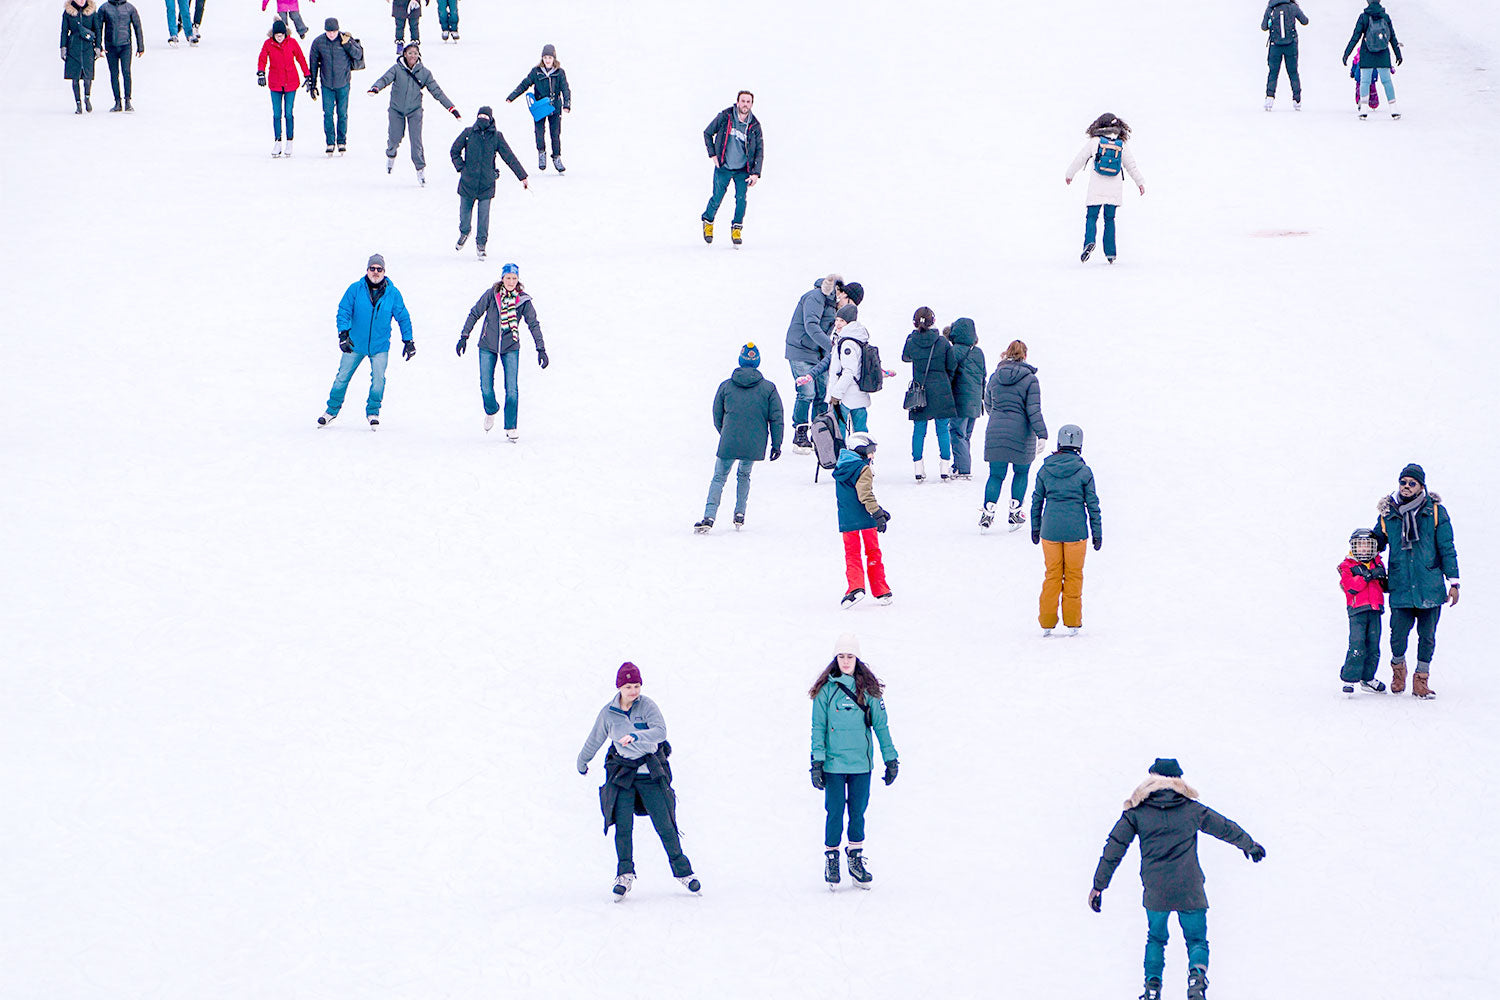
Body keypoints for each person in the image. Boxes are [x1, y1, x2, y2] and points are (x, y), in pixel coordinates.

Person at [1090, 759, 1265, 1000]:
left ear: (1151, 779)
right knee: (1196, 941)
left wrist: (1098, 886)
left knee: (1156, 938)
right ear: (1178, 781)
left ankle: (1152, 989)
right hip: (1190, 888)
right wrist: (1249, 844)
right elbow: (1224, 827)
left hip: (1156, 891)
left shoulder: (1136, 814)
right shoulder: (1192, 810)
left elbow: (1114, 848)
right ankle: (1196, 980)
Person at [577, 663, 701, 899]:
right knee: (622, 827)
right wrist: (582, 761)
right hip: (623, 775)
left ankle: (684, 873)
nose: (633, 691)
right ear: (619, 687)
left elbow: (660, 732)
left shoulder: (648, 706)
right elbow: (595, 739)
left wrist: (636, 735)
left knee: (665, 825)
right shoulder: (608, 714)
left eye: (636, 685)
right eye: (628, 686)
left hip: (649, 774)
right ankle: (624, 875)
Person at [809, 633, 898, 890]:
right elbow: (818, 728)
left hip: (861, 765)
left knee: (857, 813)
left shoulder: (868, 690)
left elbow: (881, 726)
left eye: (850, 656)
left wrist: (891, 759)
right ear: (835, 659)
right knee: (835, 812)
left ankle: (856, 859)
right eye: (841, 656)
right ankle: (832, 859)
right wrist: (817, 762)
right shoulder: (825, 691)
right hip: (834, 765)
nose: (845, 661)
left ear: (856, 658)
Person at [1372, 464, 1459, 700]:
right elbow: (1375, 543)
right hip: (1401, 584)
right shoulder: (1388, 513)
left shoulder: (1435, 512)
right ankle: (1398, 672)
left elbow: (1446, 547)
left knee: (1427, 635)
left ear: (1421, 486)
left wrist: (1454, 582)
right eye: (1403, 482)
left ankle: (1421, 679)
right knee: (1397, 634)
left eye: (1412, 483)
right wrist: (1360, 556)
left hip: (1429, 585)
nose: (1407, 487)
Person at [317, 254, 414, 430]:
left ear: (384, 272)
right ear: (367, 270)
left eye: (379, 269)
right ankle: (331, 411)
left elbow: (403, 317)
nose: (375, 272)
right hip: (355, 344)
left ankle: (373, 412)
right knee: (342, 377)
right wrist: (343, 334)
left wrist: (408, 340)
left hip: (379, 346)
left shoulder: (393, 294)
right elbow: (344, 310)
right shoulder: (355, 289)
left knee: (378, 380)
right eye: (372, 268)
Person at [694, 343, 784, 532]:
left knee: (719, 477)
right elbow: (776, 418)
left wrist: (726, 432)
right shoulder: (768, 388)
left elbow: (717, 414)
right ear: (757, 362)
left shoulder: (726, 386)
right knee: (744, 475)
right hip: (754, 443)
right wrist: (776, 444)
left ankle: (709, 516)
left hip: (729, 440)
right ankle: (740, 514)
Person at [455, 263, 547, 440]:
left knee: (512, 389)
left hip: (510, 346)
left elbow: (533, 324)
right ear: (502, 278)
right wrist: (464, 336)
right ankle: (491, 409)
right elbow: (475, 313)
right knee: (486, 387)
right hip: (487, 345)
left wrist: (540, 348)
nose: (511, 281)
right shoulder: (492, 295)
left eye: (514, 278)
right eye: (508, 278)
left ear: (518, 280)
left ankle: (511, 426)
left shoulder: (523, 300)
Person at [1030, 424, 1100, 636]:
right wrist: (1097, 532)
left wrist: (1035, 527)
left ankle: (1047, 622)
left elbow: (1037, 501)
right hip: (1076, 533)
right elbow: (1093, 504)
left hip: (1050, 531)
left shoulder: (1045, 469)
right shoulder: (1084, 471)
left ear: (1059, 444)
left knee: (1052, 575)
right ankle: (1072, 622)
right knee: (1073, 575)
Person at [785, 276, 861, 448]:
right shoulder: (815, 297)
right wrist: (834, 349)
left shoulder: (834, 307)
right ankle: (800, 432)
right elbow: (811, 325)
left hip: (818, 354)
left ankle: (819, 433)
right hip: (800, 350)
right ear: (842, 294)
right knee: (807, 392)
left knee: (822, 394)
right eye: (848, 302)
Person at [369, 42, 459, 184]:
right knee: (394, 138)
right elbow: (385, 79)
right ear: (404, 54)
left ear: (418, 56)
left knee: (416, 142)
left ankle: (420, 170)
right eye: (410, 53)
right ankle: (391, 155)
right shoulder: (397, 69)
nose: (412, 56)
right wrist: (375, 88)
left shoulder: (424, 73)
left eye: (415, 53)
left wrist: (451, 108)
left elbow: (437, 91)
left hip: (414, 110)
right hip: (396, 109)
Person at [980, 340, 1047, 530]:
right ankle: (1015, 513)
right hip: (1021, 433)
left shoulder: (995, 377)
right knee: (1021, 472)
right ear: (1024, 356)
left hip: (996, 431)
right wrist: (1042, 434)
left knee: (995, 475)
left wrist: (1000, 418)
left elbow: (988, 404)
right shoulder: (1030, 379)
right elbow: (1033, 410)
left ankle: (988, 512)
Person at [1065, 113, 1146, 264]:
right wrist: (1140, 183)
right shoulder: (1121, 144)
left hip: (1096, 187)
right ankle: (1110, 253)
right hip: (1113, 189)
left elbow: (1079, 159)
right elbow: (1131, 166)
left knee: (1091, 217)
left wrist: (1070, 174)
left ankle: (1089, 242)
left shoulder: (1094, 141)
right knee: (1109, 219)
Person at [449, 107, 528, 261]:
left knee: (483, 217)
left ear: (491, 119)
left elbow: (509, 157)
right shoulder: (468, 133)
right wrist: (462, 168)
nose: (482, 119)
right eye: (480, 116)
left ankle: (481, 244)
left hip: (486, 184)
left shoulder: (496, 137)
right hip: (467, 183)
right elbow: (454, 151)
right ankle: (465, 232)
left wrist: (522, 176)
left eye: (485, 116)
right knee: (464, 215)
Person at [833, 432, 892, 609]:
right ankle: (881, 590)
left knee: (852, 554)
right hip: (866, 519)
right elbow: (865, 494)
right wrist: (877, 514)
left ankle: (855, 587)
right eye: (870, 451)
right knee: (873, 552)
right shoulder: (862, 468)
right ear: (859, 449)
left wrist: (881, 510)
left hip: (847, 520)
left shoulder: (842, 466)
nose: (872, 455)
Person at [700, 90, 763, 246]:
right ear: (737, 102)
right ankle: (708, 220)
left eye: (748, 102)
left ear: (752, 104)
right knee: (717, 197)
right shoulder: (725, 117)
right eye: (743, 101)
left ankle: (736, 228)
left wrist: (755, 173)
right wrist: (713, 155)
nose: (745, 104)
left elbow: (759, 151)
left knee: (741, 200)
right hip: (724, 167)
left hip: (743, 170)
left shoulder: (754, 125)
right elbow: (707, 133)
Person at [901, 307, 956, 482]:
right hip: (941, 390)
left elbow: (905, 357)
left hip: (920, 390)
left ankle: (918, 468)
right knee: (942, 430)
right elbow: (952, 365)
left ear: (914, 322)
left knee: (919, 430)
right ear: (933, 322)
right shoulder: (942, 342)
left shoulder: (911, 341)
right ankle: (945, 468)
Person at [505, 44, 571, 173]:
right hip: (540, 107)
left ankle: (557, 158)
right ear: (542, 58)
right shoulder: (536, 72)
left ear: (554, 59)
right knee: (539, 132)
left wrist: (566, 104)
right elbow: (525, 84)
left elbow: (565, 89)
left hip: (554, 106)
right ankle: (541, 153)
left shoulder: (560, 72)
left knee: (555, 134)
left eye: (550, 57)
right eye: (545, 57)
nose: (547, 60)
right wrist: (512, 96)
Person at [1338, 529, 1388, 695]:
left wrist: (1382, 577)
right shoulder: (1347, 566)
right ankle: (1349, 679)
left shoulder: (1377, 563)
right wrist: (1366, 576)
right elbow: (1351, 587)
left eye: (1368, 546)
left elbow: (1384, 587)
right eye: (1360, 546)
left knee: (1373, 646)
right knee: (1357, 644)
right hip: (1357, 611)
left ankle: (1368, 678)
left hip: (1374, 610)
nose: (1364, 550)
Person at [257, 19, 309, 158]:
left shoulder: (292, 43)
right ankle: (278, 141)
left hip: (291, 82)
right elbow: (262, 58)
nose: (279, 37)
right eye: (277, 35)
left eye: (281, 34)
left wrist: (307, 74)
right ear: (273, 34)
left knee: (288, 112)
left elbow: (300, 58)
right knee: (276, 113)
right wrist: (261, 72)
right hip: (275, 83)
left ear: (285, 34)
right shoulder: (268, 44)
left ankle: (290, 141)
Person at [1343, 1, 1402, 119]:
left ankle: (1363, 110)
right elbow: (1392, 37)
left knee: (1365, 81)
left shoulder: (1363, 17)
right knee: (1386, 81)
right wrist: (1398, 54)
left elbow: (1356, 36)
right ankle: (1393, 109)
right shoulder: (1385, 17)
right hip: (1383, 52)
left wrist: (1347, 53)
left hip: (1367, 52)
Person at [306, 17, 353, 155]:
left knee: (342, 114)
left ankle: (342, 141)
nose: (331, 34)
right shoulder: (318, 43)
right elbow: (313, 64)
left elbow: (358, 56)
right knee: (328, 114)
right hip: (326, 84)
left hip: (343, 83)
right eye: (329, 31)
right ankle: (330, 142)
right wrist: (312, 84)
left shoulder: (345, 39)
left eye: (334, 31)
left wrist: (348, 44)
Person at [946, 318, 985, 482]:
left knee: (957, 433)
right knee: (966, 435)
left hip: (959, 400)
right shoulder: (978, 352)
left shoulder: (954, 351)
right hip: (975, 401)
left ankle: (962, 469)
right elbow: (983, 376)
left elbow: (950, 375)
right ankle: (962, 464)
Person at [827, 305, 873, 435]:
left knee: (840, 431)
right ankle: (864, 453)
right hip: (859, 393)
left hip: (846, 395)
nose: (837, 324)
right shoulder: (858, 338)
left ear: (850, 322)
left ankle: (842, 454)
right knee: (861, 430)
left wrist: (836, 393)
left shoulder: (847, 343)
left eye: (842, 320)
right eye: (836, 320)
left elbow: (848, 372)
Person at [1261, 0, 1308, 110]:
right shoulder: (1292, 7)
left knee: (1273, 72)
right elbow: (1305, 21)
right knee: (1293, 72)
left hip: (1275, 45)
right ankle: (1297, 100)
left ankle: (1269, 98)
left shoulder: (1271, 8)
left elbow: (1263, 27)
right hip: (1291, 45)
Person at [99, 0, 144, 113]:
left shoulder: (130, 8)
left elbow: (137, 27)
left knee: (126, 72)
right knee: (114, 74)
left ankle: (128, 101)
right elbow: (98, 27)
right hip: (110, 46)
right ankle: (117, 102)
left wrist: (140, 46)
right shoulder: (104, 8)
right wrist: (98, 46)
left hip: (126, 46)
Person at [60, 1, 104, 115]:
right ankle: (78, 103)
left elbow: (97, 30)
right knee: (75, 76)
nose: (81, 1)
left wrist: (98, 46)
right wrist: (63, 47)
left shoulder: (92, 12)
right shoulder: (68, 12)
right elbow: (64, 31)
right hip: (73, 47)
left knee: (87, 75)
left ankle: (87, 97)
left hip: (87, 47)